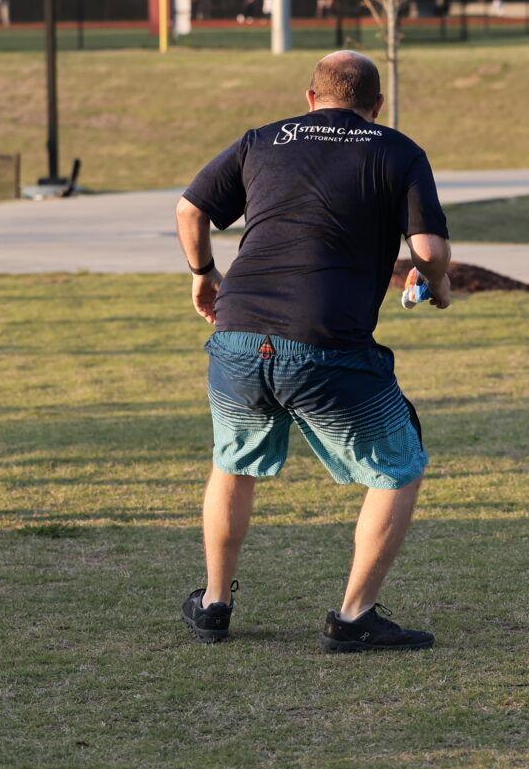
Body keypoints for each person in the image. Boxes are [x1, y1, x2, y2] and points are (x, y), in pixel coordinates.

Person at [173, 50, 452, 653]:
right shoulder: (396, 149)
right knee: (400, 465)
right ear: (376, 106)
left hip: (238, 334)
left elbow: (189, 208)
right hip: (324, 343)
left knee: (232, 462)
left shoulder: (259, 141)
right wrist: (438, 281)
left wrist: (203, 273)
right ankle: (354, 618)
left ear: (310, 97)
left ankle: (215, 605)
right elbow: (428, 245)